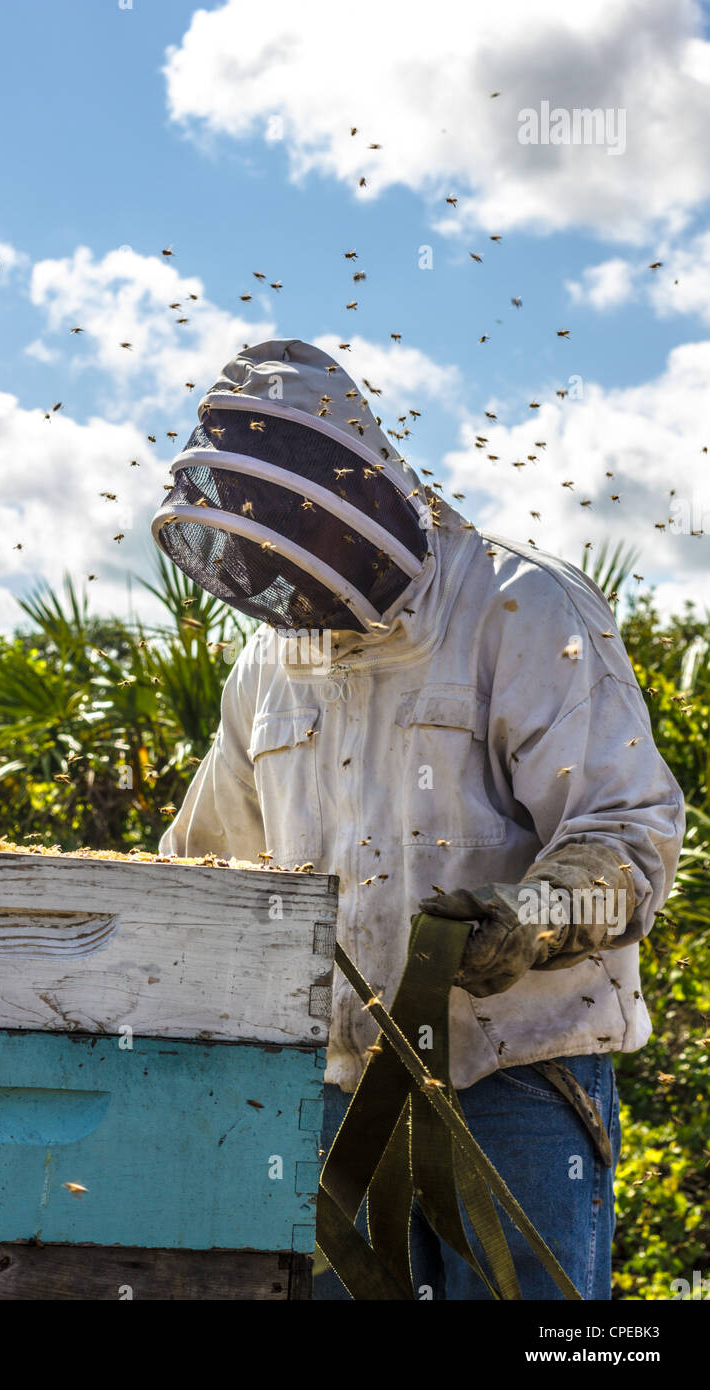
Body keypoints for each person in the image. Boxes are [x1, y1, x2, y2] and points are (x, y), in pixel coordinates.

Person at [151, 338, 685, 1299]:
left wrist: (539, 914)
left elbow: (629, 832)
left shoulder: (523, 609)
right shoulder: (266, 666)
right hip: (329, 1093)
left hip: (516, 1077)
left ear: (351, 488)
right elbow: (208, 868)